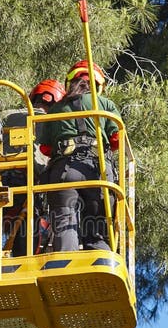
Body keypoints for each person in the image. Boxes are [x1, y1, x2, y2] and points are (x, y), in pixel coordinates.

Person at [39, 60, 120, 251]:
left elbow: (45, 149)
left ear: (70, 83)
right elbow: (117, 139)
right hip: (96, 170)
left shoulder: (56, 109)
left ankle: (66, 262)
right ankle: (99, 261)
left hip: (64, 172)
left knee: (65, 225)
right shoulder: (105, 104)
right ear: (98, 85)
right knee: (97, 228)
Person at [2, 79, 65, 255]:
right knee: (31, 223)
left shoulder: (5, 115)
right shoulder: (57, 121)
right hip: (26, 182)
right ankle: (23, 260)